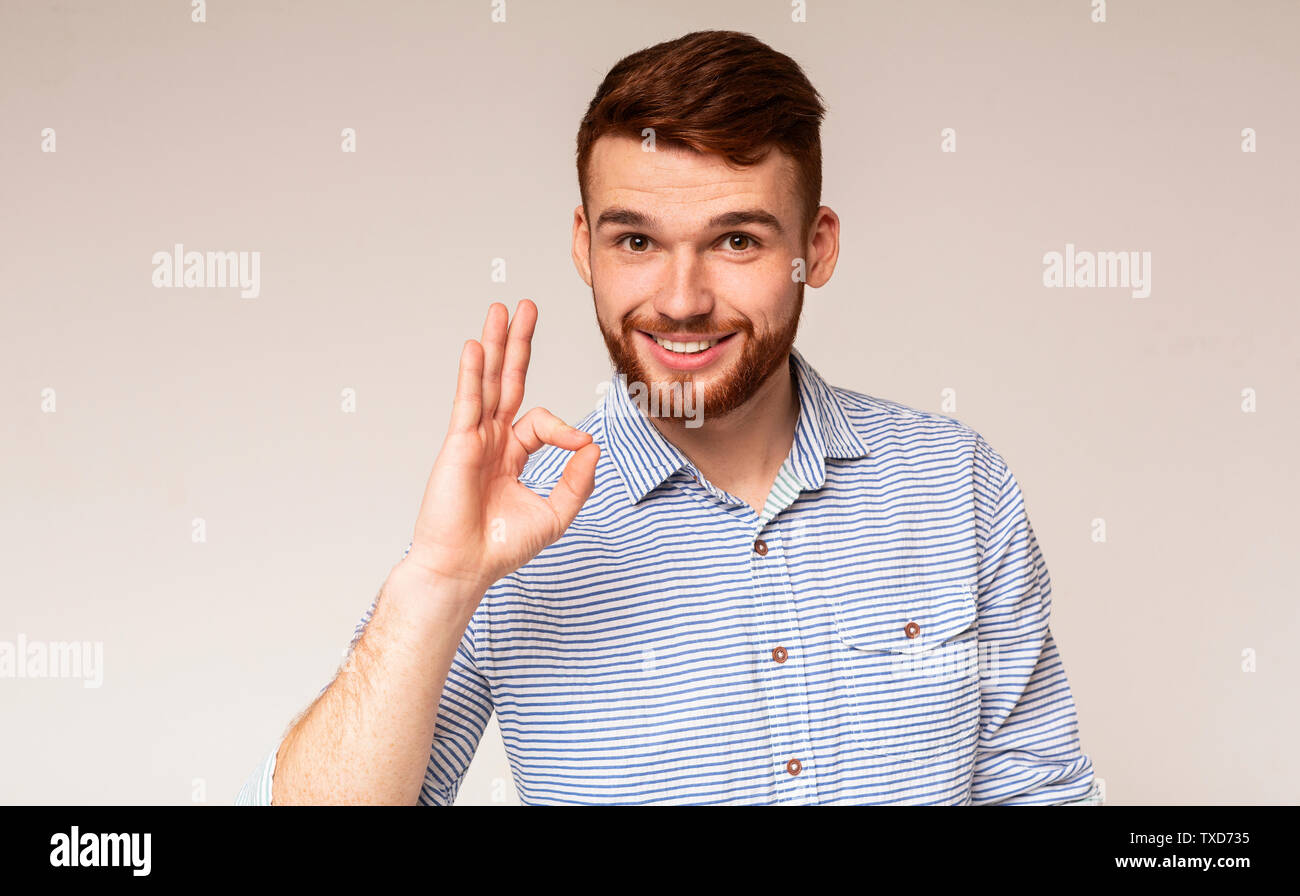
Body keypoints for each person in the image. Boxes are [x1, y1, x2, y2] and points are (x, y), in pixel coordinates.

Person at [238, 30, 1099, 805]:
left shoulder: (954, 483)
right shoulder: (504, 525)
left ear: (817, 248)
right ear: (585, 245)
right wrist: (437, 584)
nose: (682, 302)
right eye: (638, 242)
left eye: (736, 241)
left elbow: (1043, 797)